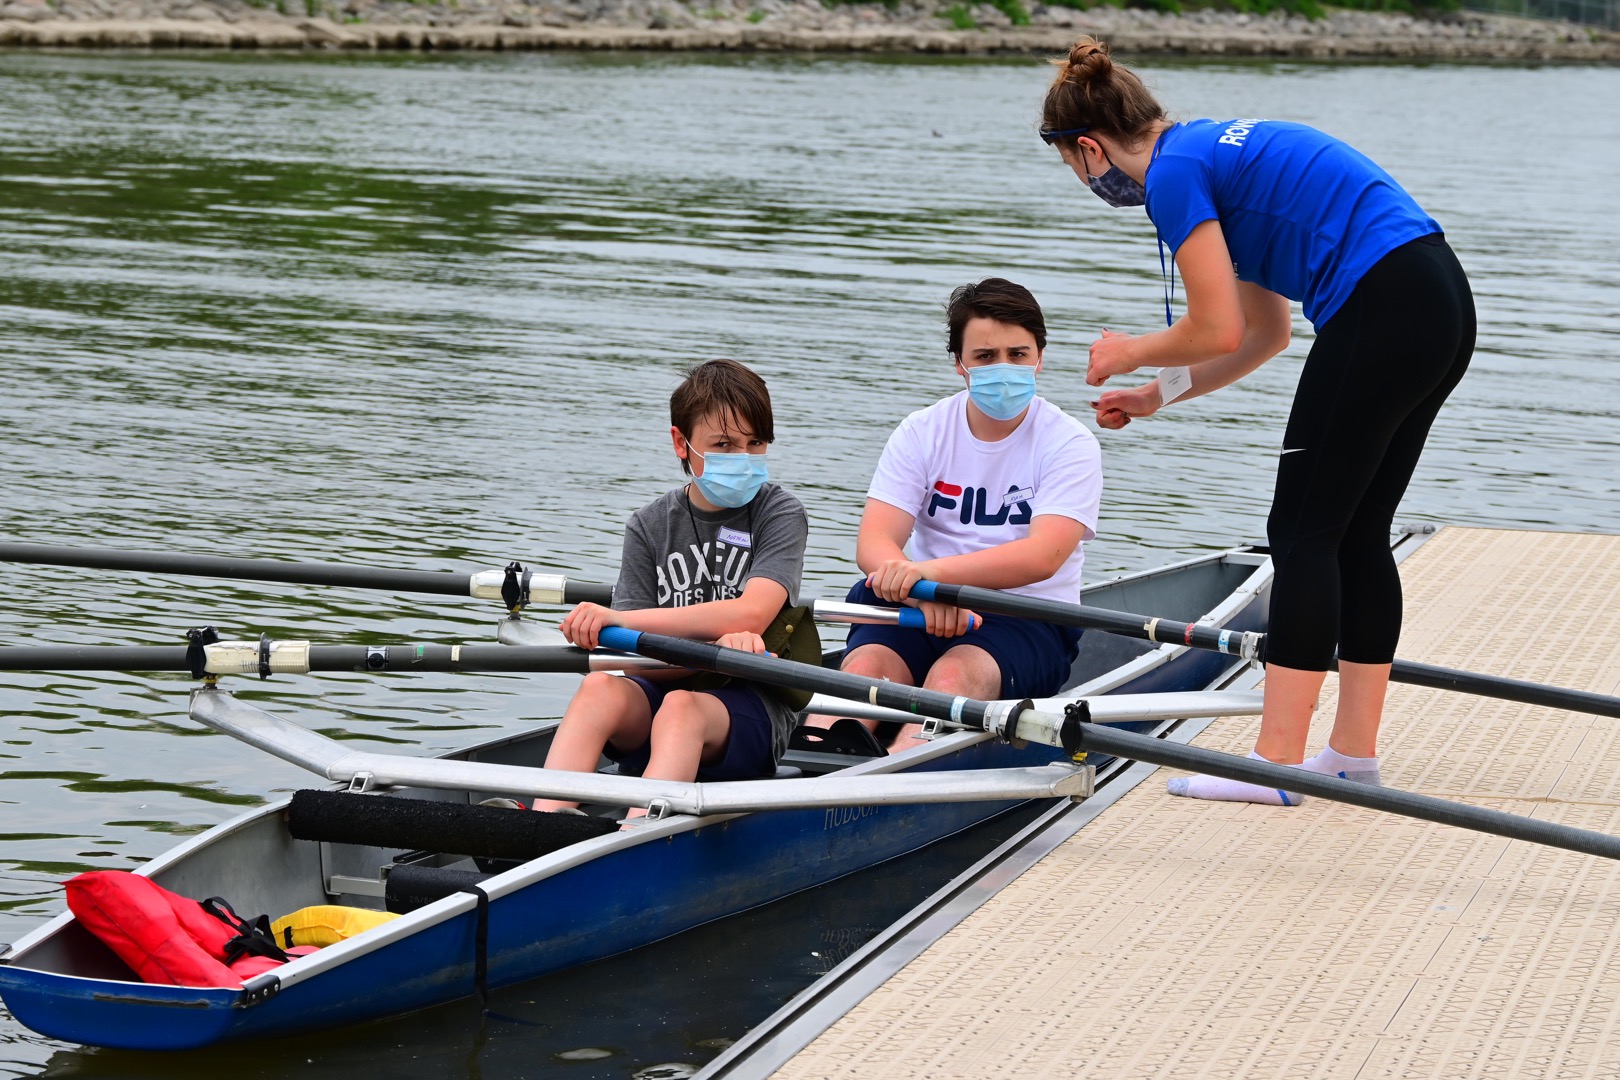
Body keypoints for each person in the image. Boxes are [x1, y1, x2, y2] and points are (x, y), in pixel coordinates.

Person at [1039, 38, 1475, 804]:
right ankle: (1350, 757)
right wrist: (1157, 394)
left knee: (1302, 534)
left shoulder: (1174, 177)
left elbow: (1212, 327)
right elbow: (1261, 333)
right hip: (1438, 297)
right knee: (1356, 533)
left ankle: (1272, 766)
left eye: (1072, 167)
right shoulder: (1208, 154)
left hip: (1383, 305)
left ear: (1088, 149)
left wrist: (1126, 353)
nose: (1083, 182)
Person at [810, 278, 1102, 751]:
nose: (1003, 367)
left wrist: (931, 578)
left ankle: (893, 776)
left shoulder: (1069, 443)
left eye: (1018, 354)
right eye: (986, 357)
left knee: (949, 682)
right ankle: (814, 761)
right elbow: (875, 543)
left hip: (1024, 614)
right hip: (917, 604)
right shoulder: (922, 431)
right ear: (959, 365)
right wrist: (925, 594)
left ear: (1040, 359)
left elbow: (1041, 557)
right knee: (861, 676)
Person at [531, 358, 811, 820]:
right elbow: (637, 664)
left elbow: (751, 615)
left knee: (683, 708)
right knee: (599, 687)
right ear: (681, 442)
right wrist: (708, 645)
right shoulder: (648, 526)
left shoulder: (779, 514)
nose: (742, 458)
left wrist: (621, 620)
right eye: (723, 445)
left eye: (754, 444)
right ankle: (538, 825)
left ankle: (633, 842)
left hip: (751, 710)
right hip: (661, 699)